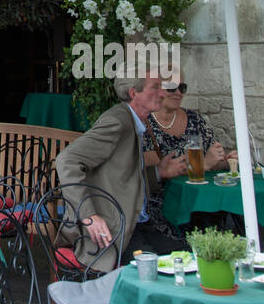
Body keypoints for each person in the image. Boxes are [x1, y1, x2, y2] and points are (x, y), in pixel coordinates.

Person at [55, 71, 187, 268]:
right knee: (162, 270)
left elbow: (121, 177)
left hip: (137, 225)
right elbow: (66, 160)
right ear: (134, 93)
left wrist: (159, 172)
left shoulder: (135, 121)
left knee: (188, 256)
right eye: (155, 87)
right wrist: (89, 216)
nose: (162, 93)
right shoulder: (118, 120)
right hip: (113, 233)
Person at [141, 76, 238, 239]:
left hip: (202, 203)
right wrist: (203, 164)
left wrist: (228, 159)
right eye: (172, 87)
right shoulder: (144, 124)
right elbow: (159, 173)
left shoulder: (195, 119)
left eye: (182, 87)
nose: (178, 93)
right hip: (165, 209)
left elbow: (215, 158)